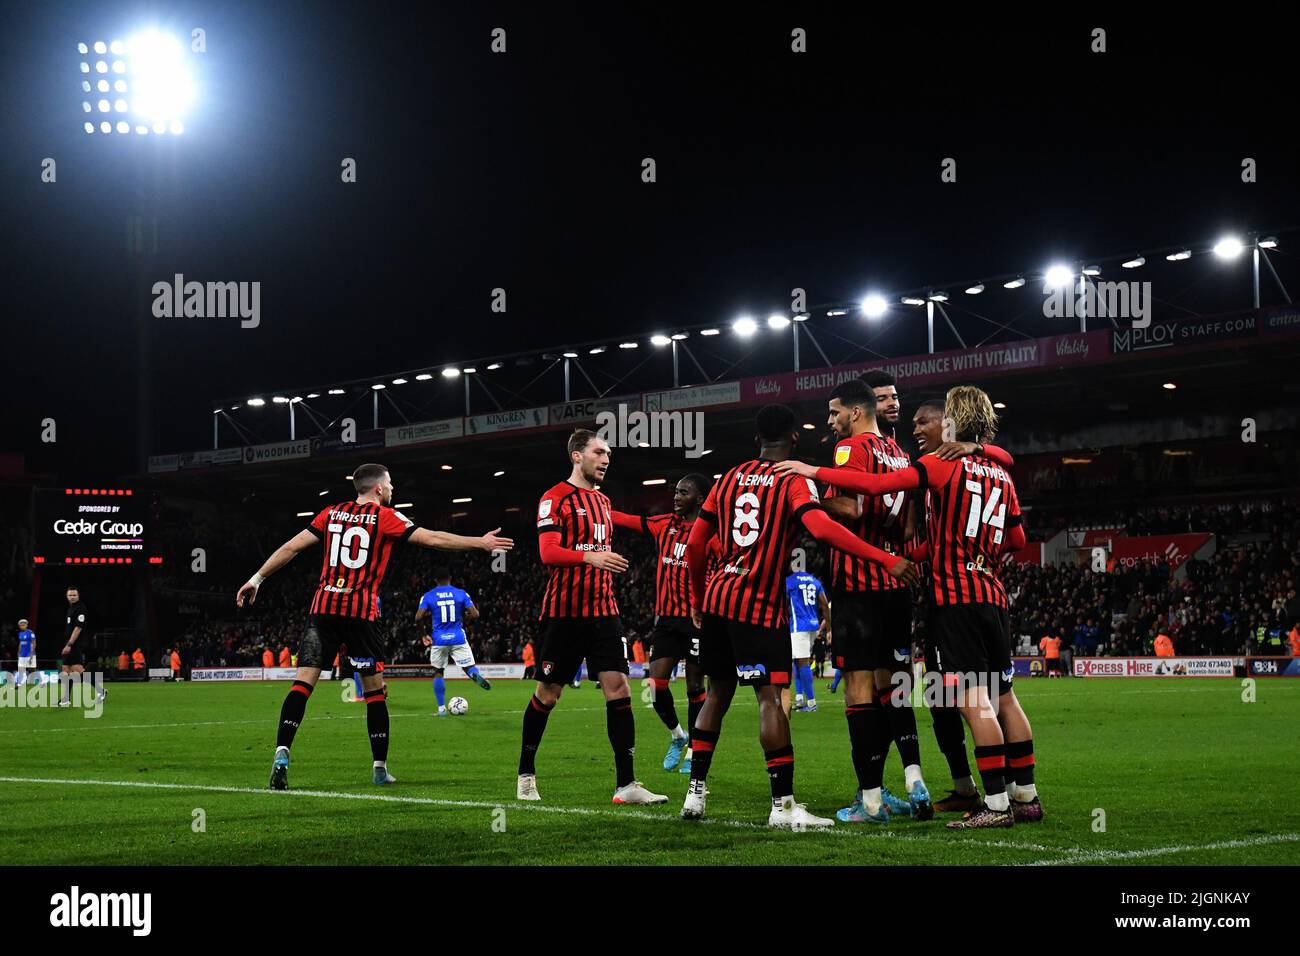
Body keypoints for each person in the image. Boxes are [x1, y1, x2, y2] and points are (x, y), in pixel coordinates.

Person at [778, 385, 1042, 829]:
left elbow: (875, 485)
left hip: (953, 597)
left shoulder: (940, 466)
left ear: (952, 423)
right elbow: (1017, 540)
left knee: (971, 698)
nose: (919, 427)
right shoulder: (1000, 471)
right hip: (993, 594)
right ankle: (1026, 797)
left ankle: (995, 806)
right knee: (1004, 697)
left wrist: (811, 471)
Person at [681, 404, 919, 829]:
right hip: (757, 606)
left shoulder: (728, 478)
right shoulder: (793, 480)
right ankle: (784, 806)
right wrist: (883, 557)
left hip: (717, 598)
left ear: (757, 437)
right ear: (794, 438)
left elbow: (697, 544)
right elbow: (824, 530)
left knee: (716, 695)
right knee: (769, 699)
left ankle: (695, 796)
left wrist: (698, 597)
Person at [236, 462, 513, 790]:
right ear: (379, 488)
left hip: (323, 608)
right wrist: (478, 543)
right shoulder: (386, 517)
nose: (394, 489)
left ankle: (282, 752)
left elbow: (290, 548)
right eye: (391, 484)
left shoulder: (331, 513)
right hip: (360, 614)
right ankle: (379, 768)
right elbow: (434, 539)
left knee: (302, 685)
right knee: (374, 693)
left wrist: (256, 579)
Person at [516, 430, 666, 806]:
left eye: (609, 453)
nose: (606, 458)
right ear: (577, 456)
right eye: (599, 451)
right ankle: (526, 773)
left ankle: (626, 784)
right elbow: (548, 553)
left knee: (620, 689)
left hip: (605, 612)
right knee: (548, 694)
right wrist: (590, 557)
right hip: (564, 615)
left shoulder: (602, 501)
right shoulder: (554, 498)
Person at [814, 378, 933, 823]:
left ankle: (869, 803)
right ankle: (914, 778)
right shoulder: (899, 455)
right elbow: (906, 529)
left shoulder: (852, 450)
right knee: (896, 688)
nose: (830, 421)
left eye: (834, 412)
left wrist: (812, 501)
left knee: (859, 693)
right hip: (895, 588)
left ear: (856, 412)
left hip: (859, 586)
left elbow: (853, 508)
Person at [608, 474, 712, 773]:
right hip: (666, 620)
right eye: (675, 491)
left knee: (695, 686)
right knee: (655, 684)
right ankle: (678, 735)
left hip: (697, 621)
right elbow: (626, 520)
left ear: (701, 498)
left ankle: (695, 750)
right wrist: (597, 509)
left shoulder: (711, 531)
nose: (676, 497)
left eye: (684, 492)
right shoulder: (664, 524)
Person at [415, 566, 491, 717]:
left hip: (439, 639)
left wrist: (424, 635)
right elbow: (475, 614)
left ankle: (442, 710)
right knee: (468, 666)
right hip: (458, 636)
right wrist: (464, 619)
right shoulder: (461, 593)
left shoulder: (428, 596)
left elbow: (418, 617)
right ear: (450, 579)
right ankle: (474, 674)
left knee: (438, 672)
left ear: (435, 580)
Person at [785, 571, 829, 713]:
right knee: (798, 661)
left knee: (802, 662)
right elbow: (824, 603)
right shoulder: (814, 580)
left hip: (799, 626)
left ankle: (811, 703)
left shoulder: (790, 581)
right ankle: (799, 698)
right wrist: (828, 627)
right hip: (813, 625)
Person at [59, 588, 106, 705]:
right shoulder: (70, 608)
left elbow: (78, 628)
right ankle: (65, 699)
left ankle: (101, 691)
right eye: (70, 595)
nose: (72, 597)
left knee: (77, 670)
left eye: (74, 595)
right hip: (68, 642)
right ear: (66, 596)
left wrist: (69, 644)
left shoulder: (81, 609)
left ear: (78, 596)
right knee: (66, 669)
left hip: (75, 644)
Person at [16, 619, 36, 686]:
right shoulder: (20, 633)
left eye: (23, 625)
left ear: (26, 625)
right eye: (20, 625)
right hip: (22, 654)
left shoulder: (31, 632)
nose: (22, 626)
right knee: (21, 668)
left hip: (29, 653)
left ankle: (34, 681)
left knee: (32, 668)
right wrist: (18, 652)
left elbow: (34, 643)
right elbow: (20, 643)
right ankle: (20, 683)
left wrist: (32, 653)